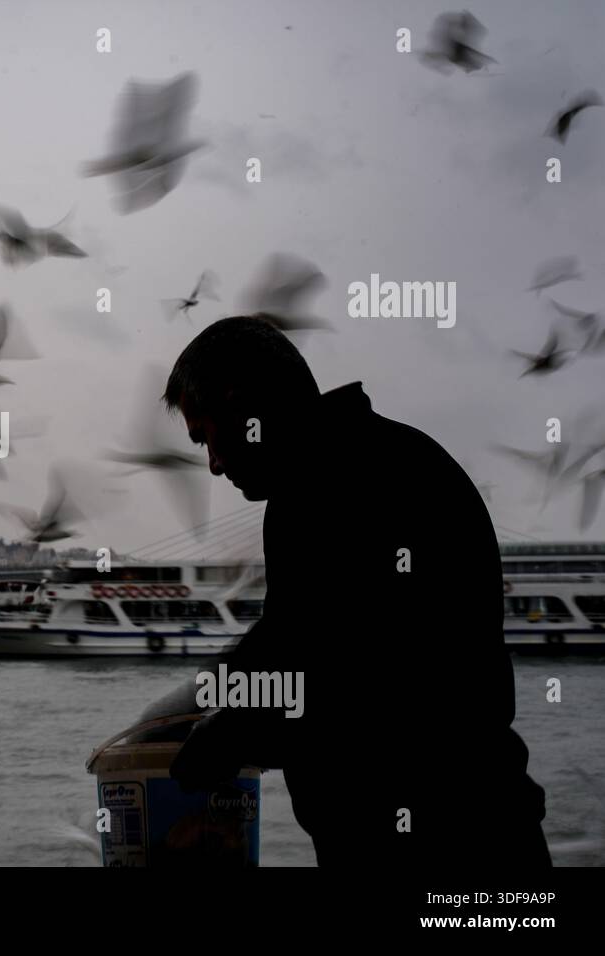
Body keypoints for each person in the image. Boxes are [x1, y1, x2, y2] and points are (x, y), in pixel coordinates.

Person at [156, 315, 551, 867]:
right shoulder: (373, 461)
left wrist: (226, 734)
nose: (215, 465)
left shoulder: (328, 488)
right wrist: (189, 710)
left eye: (207, 439)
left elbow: (355, 682)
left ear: (240, 402)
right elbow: (293, 639)